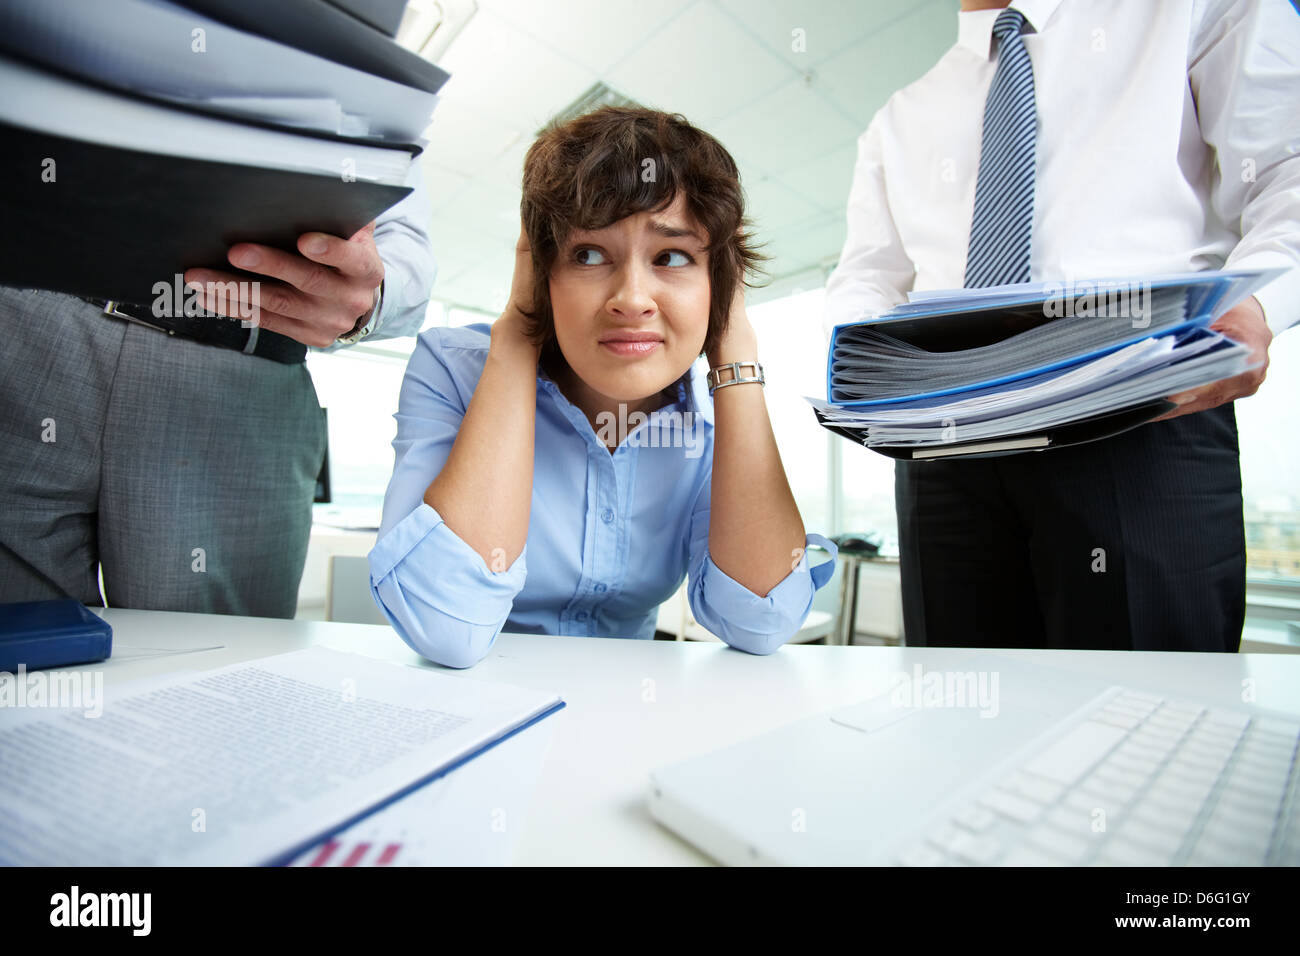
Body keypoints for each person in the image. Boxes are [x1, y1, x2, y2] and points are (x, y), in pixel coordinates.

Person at [823, 0, 1300, 651]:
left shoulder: (1195, 10)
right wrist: (874, 373)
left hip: (1141, 412)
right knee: (957, 708)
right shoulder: (898, 117)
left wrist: (1259, 303)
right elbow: (867, 274)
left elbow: (1288, 169)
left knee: (1146, 710)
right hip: (948, 443)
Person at [369, 107, 837, 668]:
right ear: (541, 272)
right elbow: (446, 628)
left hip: (625, 718)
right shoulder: (454, 370)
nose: (632, 298)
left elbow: (760, 622)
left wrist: (734, 350)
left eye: (672, 256)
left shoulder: (713, 423)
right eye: (588, 254)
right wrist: (518, 333)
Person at [0, 167, 434, 618]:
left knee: (216, 665)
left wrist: (369, 296)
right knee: (18, 656)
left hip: (239, 369)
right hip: (27, 321)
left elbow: (405, 242)